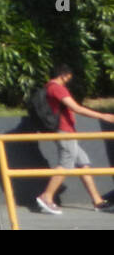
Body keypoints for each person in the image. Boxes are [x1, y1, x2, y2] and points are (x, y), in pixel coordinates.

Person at [34, 64, 114, 215]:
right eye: (68, 77)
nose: (69, 80)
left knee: (83, 162)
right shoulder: (56, 88)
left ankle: (97, 201)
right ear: (64, 75)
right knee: (65, 163)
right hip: (65, 132)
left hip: (67, 132)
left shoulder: (49, 87)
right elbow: (76, 108)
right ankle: (47, 197)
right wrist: (103, 116)